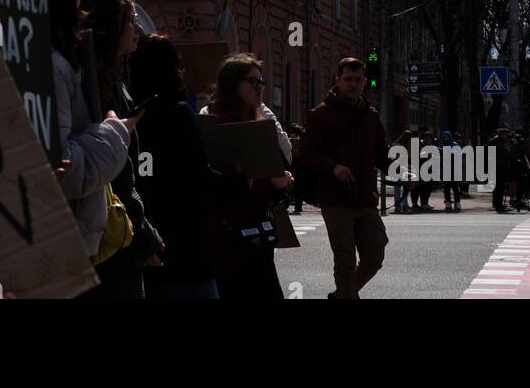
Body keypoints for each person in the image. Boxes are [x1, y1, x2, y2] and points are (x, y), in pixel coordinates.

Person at [46, 0, 132, 268]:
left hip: (72, 238)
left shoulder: (65, 59)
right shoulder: (54, 65)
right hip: (65, 243)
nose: (81, 5)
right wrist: (116, 131)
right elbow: (61, 168)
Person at [78, 0, 163, 298]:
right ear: (112, 27)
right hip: (110, 237)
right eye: (130, 20)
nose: (138, 28)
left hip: (114, 231)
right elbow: (121, 175)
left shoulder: (110, 77)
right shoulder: (97, 82)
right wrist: (143, 237)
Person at [130, 33, 222, 299]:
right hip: (185, 244)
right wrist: (238, 182)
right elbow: (199, 175)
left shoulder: (128, 113)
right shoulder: (178, 113)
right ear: (171, 69)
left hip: (144, 241)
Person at [300, 58, 391, 299]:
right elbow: (307, 154)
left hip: (365, 198)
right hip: (335, 199)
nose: (353, 85)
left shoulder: (370, 116)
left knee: (375, 255)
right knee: (345, 259)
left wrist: (403, 173)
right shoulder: (320, 114)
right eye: (348, 80)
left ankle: (342, 295)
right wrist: (333, 166)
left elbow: (383, 154)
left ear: (364, 82)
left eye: (358, 80)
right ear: (337, 81)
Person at [204, 53, 292, 299]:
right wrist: (253, 178)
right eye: (252, 82)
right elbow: (216, 180)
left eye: (260, 82)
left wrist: (278, 180)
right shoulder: (217, 121)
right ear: (233, 84)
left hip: (257, 230)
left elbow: (269, 177)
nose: (259, 88)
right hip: (229, 234)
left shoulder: (257, 120)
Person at [440, 131, 462, 212]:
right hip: (446, 169)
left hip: (455, 170)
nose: (444, 139)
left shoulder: (455, 145)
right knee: (446, 187)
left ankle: (458, 203)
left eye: (446, 137)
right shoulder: (441, 145)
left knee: (455, 187)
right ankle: (448, 202)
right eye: (443, 137)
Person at [492, 129, 513, 213]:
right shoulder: (498, 143)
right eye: (506, 135)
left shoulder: (495, 141)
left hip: (497, 167)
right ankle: (499, 205)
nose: (507, 137)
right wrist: (509, 147)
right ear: (502, 135)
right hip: (499, 168)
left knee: (498, 187)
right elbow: (507, 154)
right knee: (500, 187)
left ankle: (497, 204)